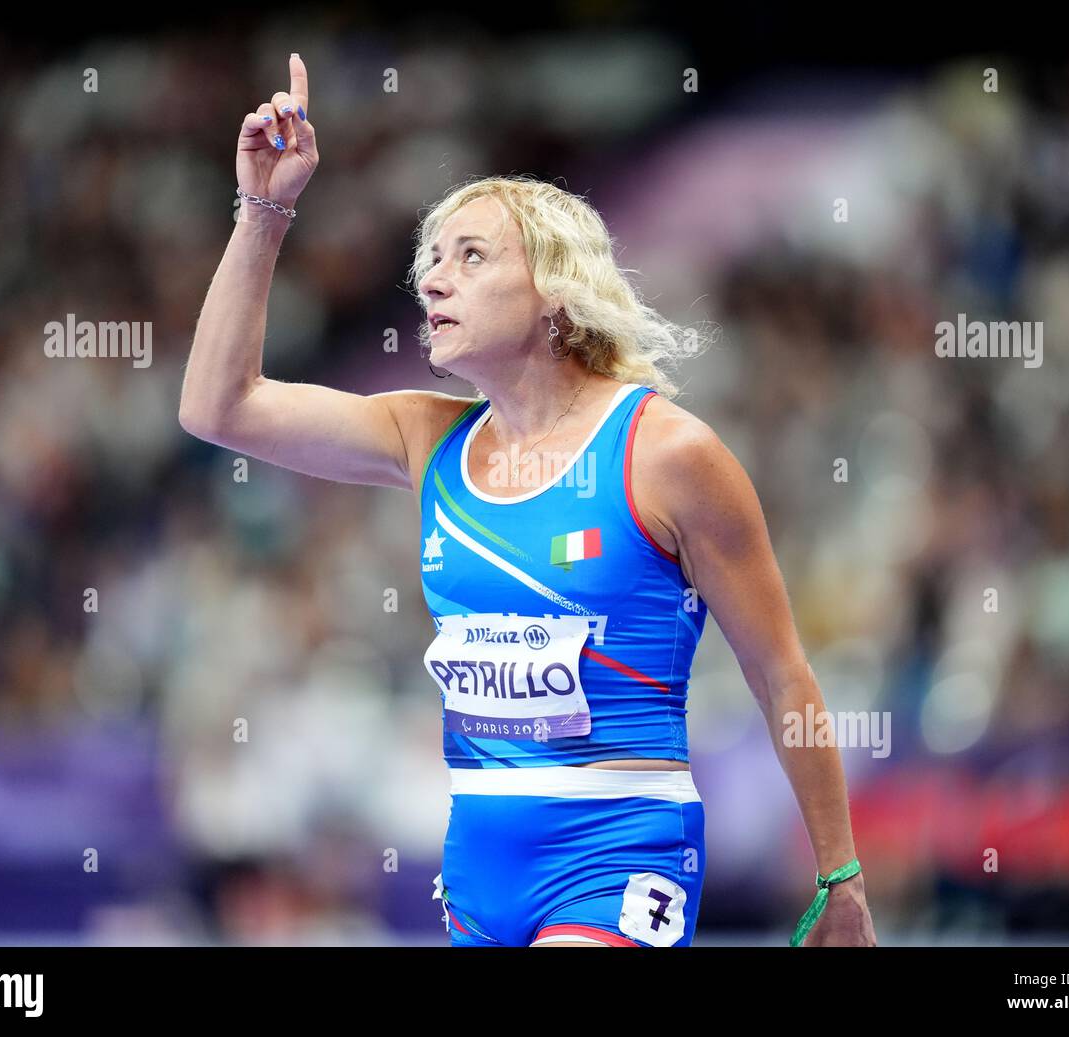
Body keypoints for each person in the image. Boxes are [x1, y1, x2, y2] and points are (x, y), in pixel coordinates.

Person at [179, 53, 876, 948]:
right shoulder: (427, 439)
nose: (433, 279)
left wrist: (840, 874)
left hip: (619, 847)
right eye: (431, 260)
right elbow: (216, 406)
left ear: (556, 291)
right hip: (477, 860)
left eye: (471, 257)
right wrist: (264, 211)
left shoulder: (668, 454)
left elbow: (782, 672)